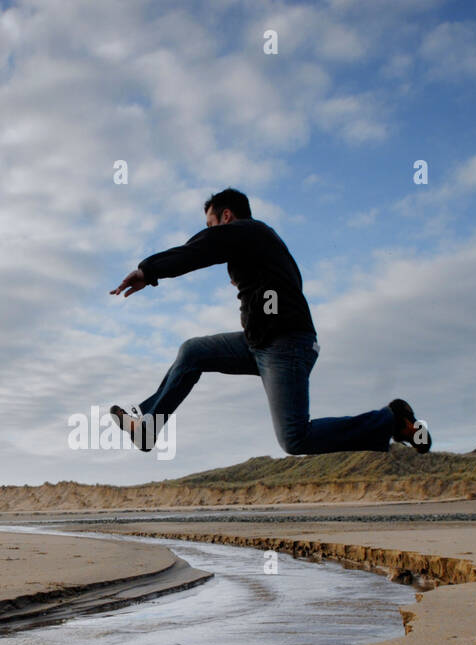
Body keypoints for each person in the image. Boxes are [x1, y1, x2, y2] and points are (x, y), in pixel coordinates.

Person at [108, 188, 430, 456]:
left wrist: (149, 271)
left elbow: (199, 250)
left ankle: (390, 419)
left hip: (286, 345)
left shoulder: (248, 232)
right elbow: (278, 285)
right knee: (192, 352)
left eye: (211, 224)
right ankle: (149, 426)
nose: (210, 232)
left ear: (227, 217)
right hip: (261, 343)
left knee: (294, 438)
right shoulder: (260, 246)